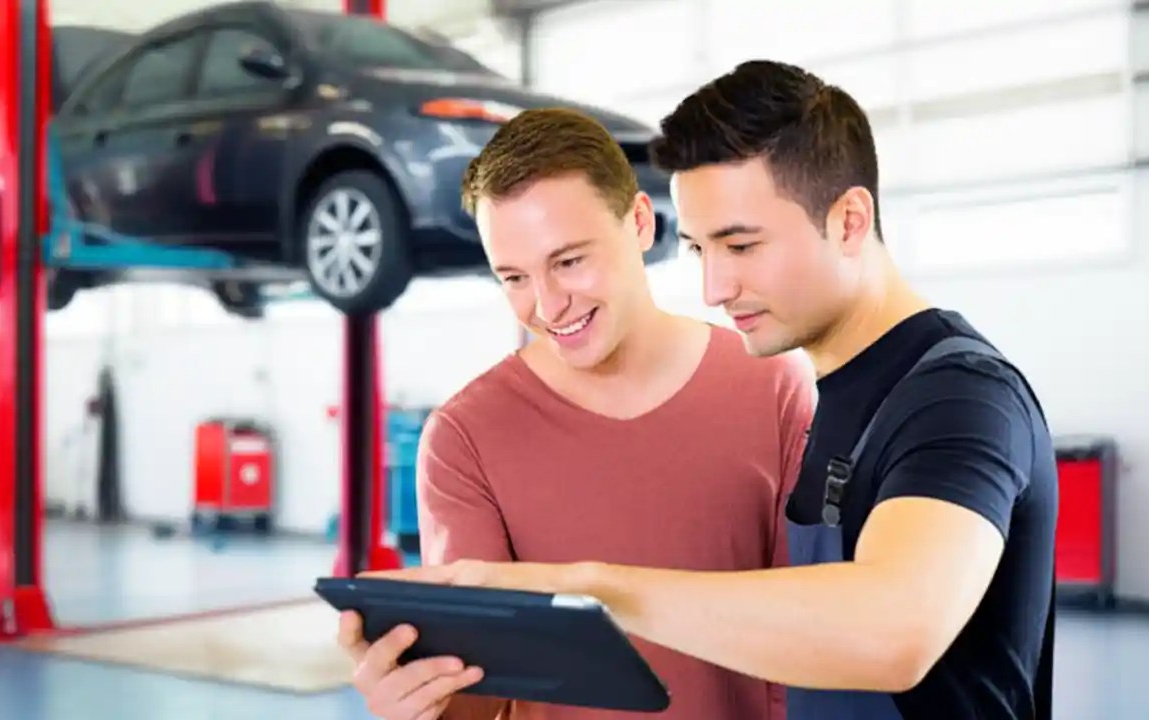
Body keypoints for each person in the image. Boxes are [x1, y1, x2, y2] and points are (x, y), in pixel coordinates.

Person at [368, 60, 1060, 720]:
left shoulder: (960, 398)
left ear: (849, 221)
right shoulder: (842, 397)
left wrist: (586, 588)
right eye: (701, 249)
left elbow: (892, 631)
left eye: (742, 246)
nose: (713, 289)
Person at [338, 107, 816, 720]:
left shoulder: (773, 386)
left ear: (639, 222)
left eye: (568, 262)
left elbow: (811, 638)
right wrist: (420, 699)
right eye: (514, 277)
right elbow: (479, 692)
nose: (547, 306)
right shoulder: (464, 438)